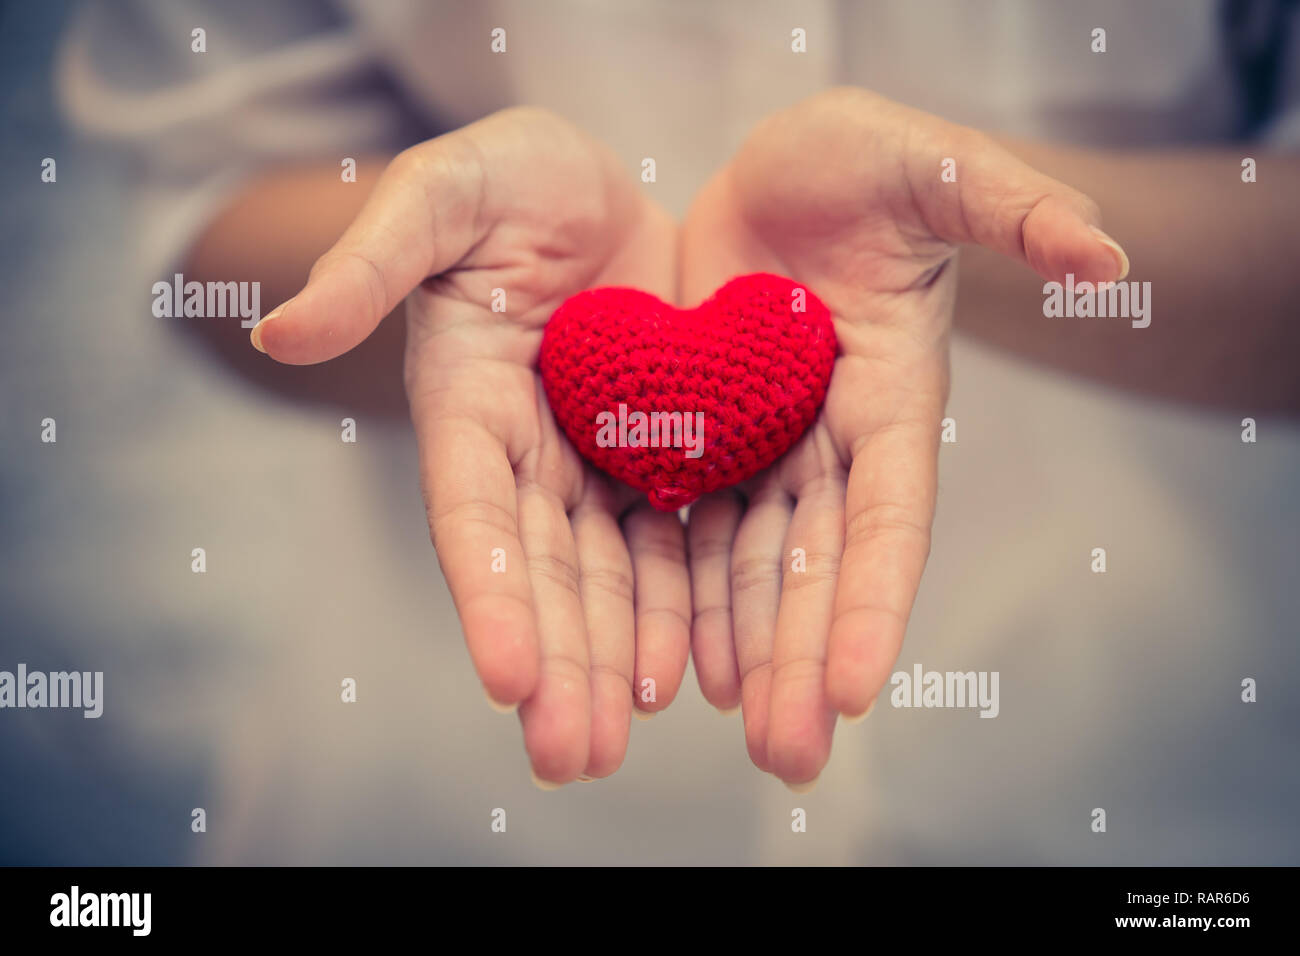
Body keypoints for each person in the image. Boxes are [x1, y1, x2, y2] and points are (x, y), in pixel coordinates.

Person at [56, 0, 1300, 861]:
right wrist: (442, 272)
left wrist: (956, 240)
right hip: (450, 787)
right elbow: (202, 211)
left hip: (1146, 766)